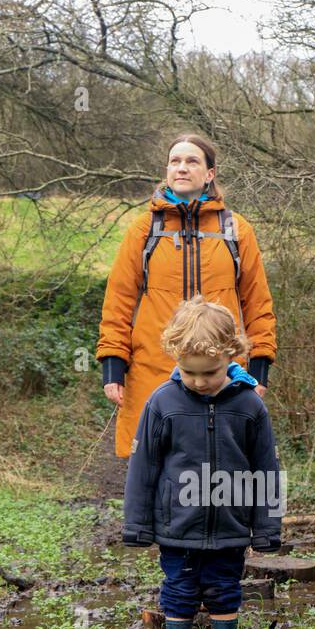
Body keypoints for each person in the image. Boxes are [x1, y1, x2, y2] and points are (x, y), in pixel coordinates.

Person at [123, 296, 283, 629]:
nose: (198, 381)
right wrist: (138, 525)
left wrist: (266, 527)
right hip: (178, 526)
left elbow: (267, 467)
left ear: (232, 355)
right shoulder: (162, 402)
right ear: (176, 359)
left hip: (230, 527)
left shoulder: (249, 405)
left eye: (209, 372)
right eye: (188, 372)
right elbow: (144, 466)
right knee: (178, 590)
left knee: (225, 589)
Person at [97, 133, 277, 459]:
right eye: (175, 161)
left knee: (222, 460)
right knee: (153, 464)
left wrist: (259, 369)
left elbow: (258, 304)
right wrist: (113, 368)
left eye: (192, 161)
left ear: (209, 174)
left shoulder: (236, 231)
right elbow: (118, 302)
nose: (181, 168)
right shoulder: (144, 230)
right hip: (153, 369)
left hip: (223, 373)